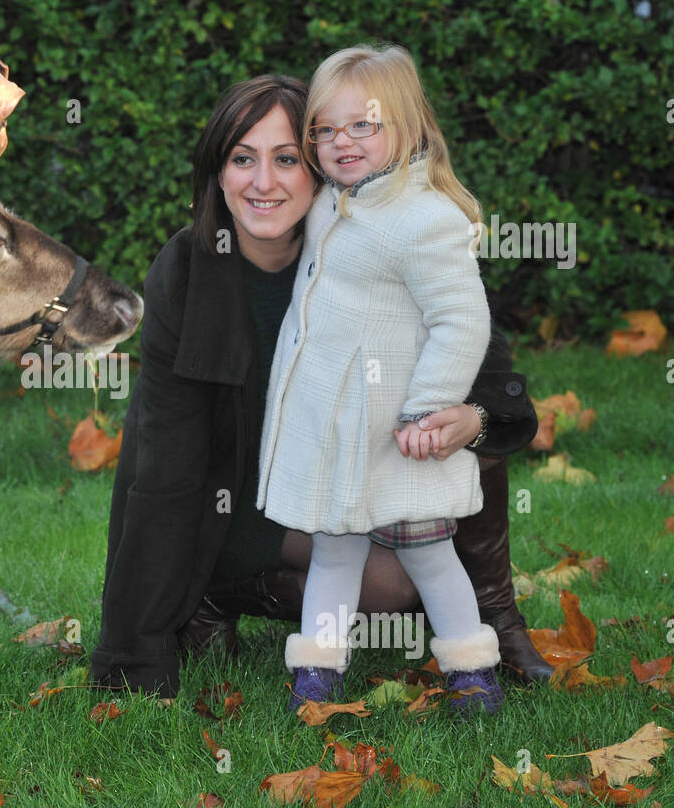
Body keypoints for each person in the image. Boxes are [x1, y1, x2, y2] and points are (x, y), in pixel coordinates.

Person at [89, 72, 548, 701]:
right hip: (226, 501)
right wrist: (133, 651)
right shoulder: (188, 268)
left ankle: (496, 621)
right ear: (217, 172)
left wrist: (474, 418)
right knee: (377, 579)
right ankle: (205, 598)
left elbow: (483, 358)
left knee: (450, 437)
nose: (264, 183)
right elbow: (161, 459)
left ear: (321, 170)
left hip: (339, 481)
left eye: (286, 159)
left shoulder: (377, 235)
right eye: (241, 159)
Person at [256, 45, 508, 715]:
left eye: (362, 125)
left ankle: (472, 668)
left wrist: (429, 409)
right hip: (341, 436)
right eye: (325, 130)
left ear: (407, 128)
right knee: (335, 553)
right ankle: (318, 669)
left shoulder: (424, 219)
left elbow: (462, 321)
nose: (341, 142)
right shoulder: (331, 205)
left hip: (403, 434)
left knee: (430, 555)